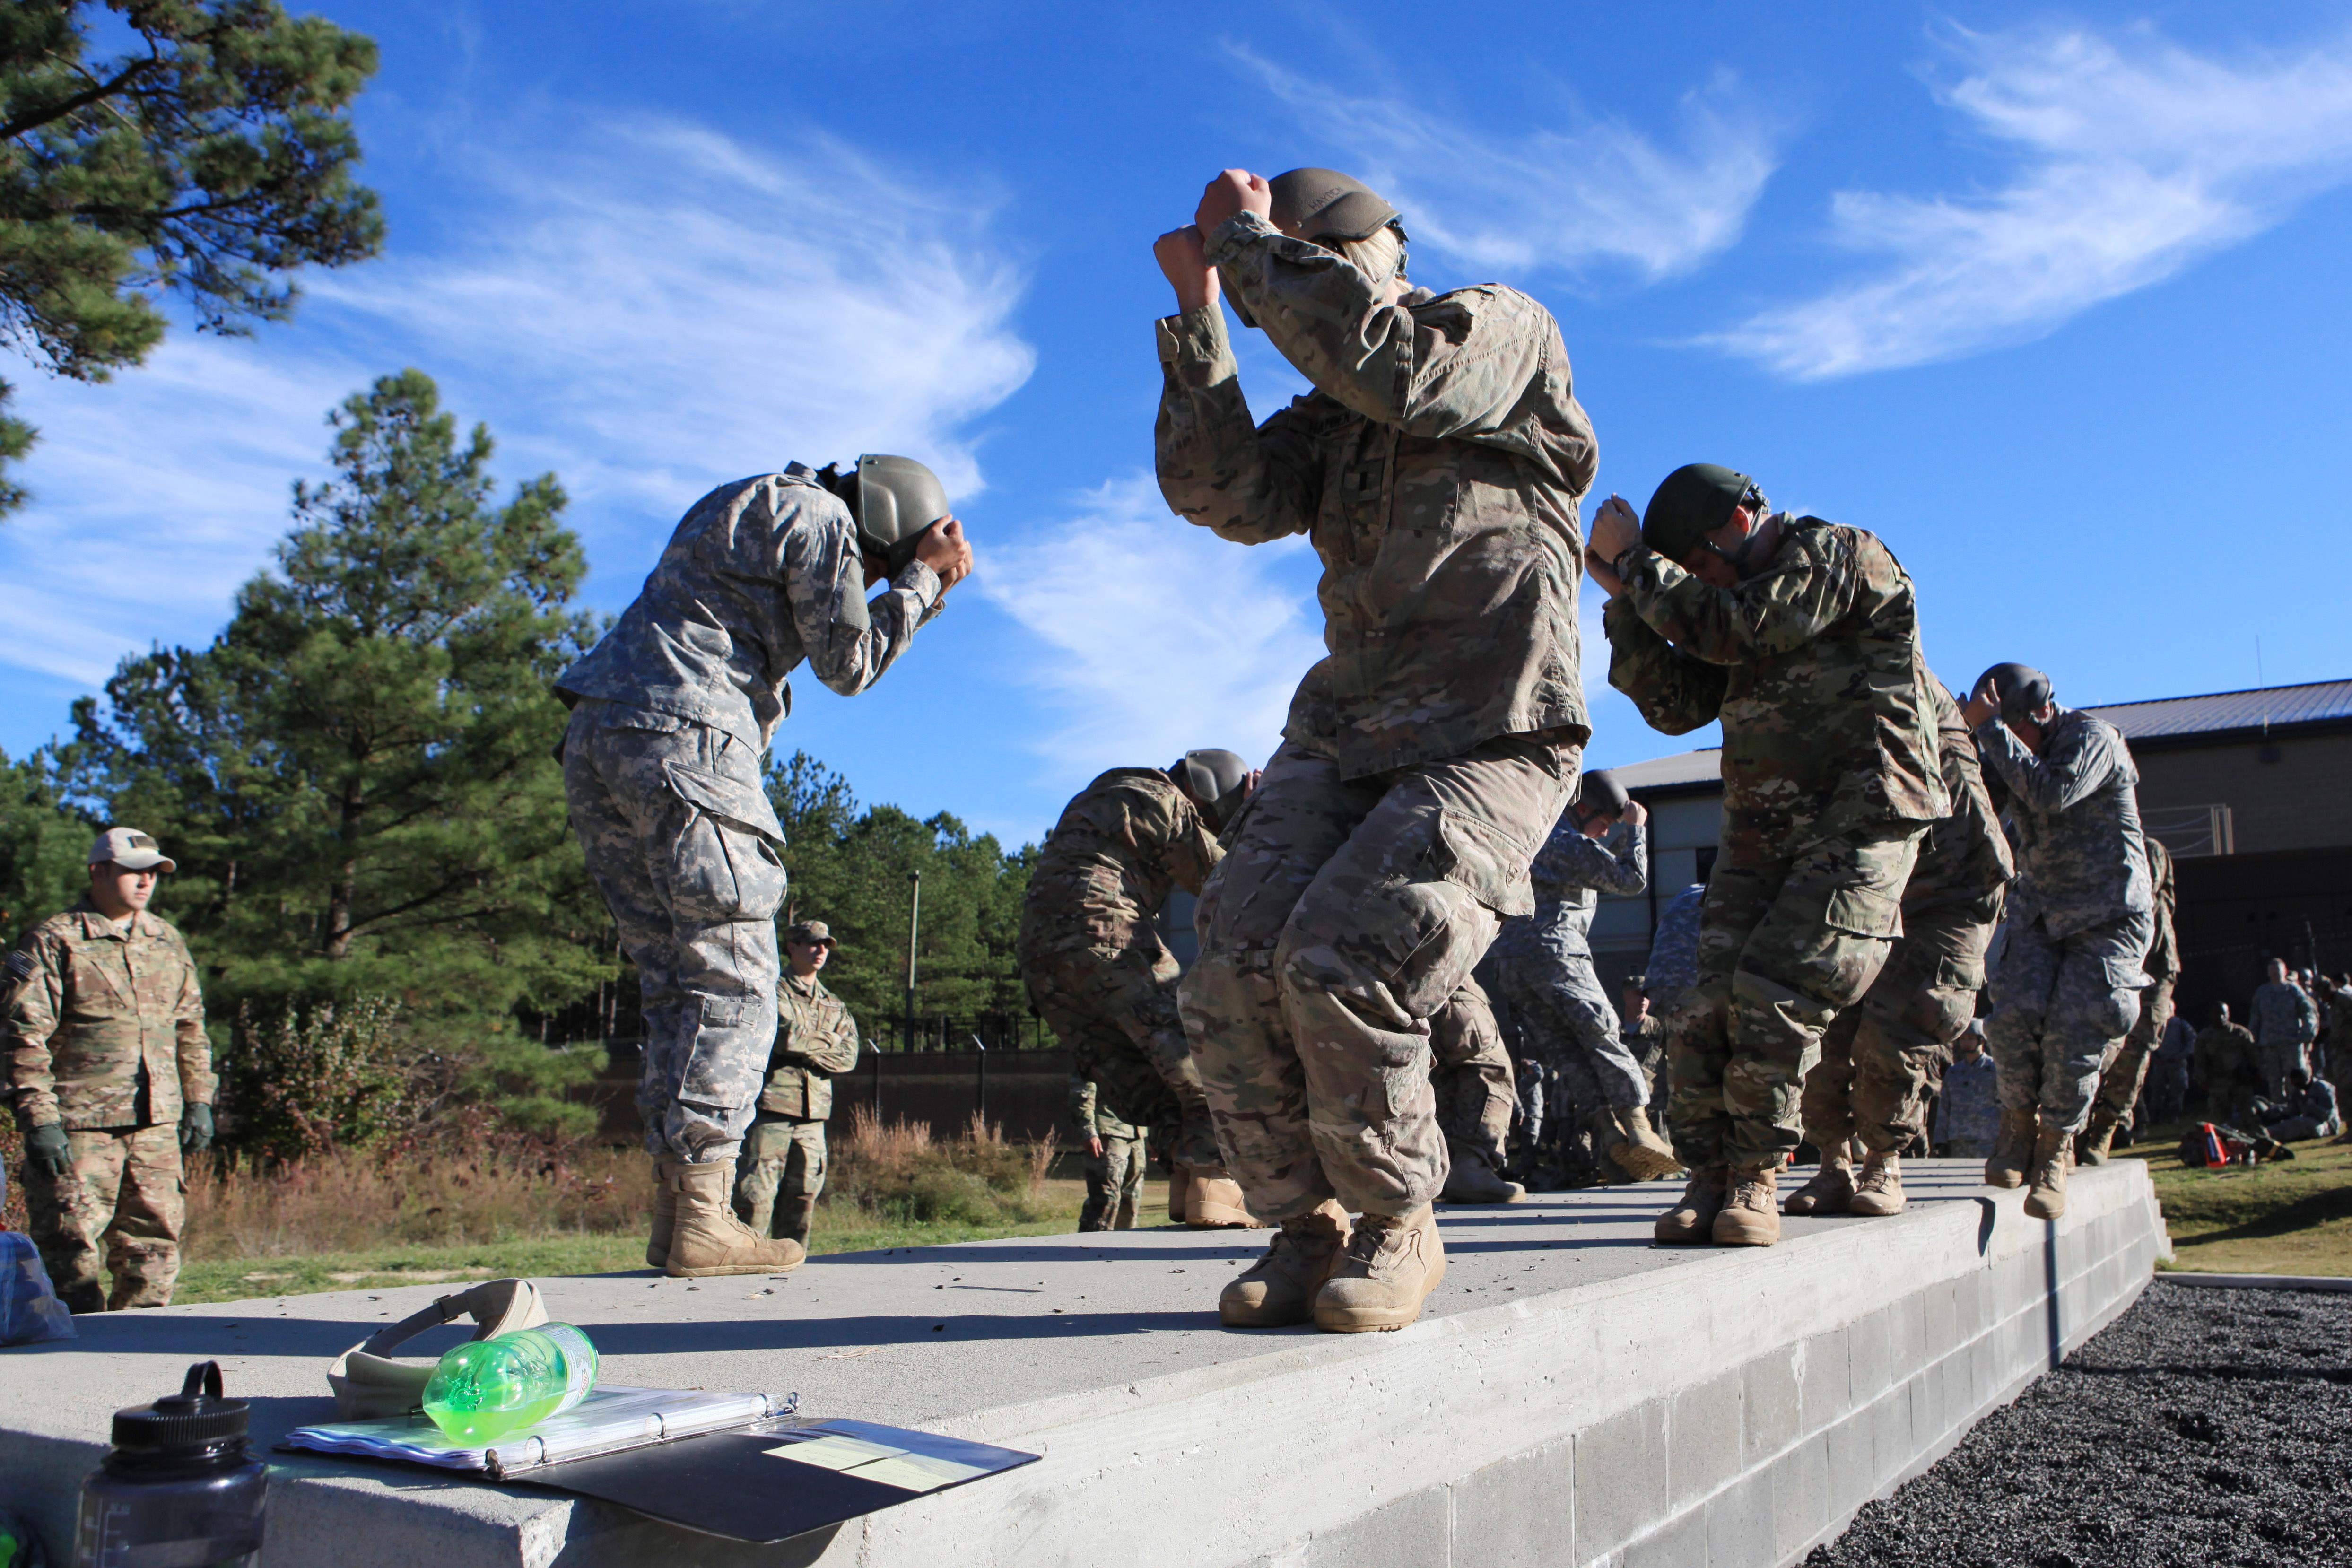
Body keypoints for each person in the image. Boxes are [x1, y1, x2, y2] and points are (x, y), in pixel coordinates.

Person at [1155, 165, 1595, 1332]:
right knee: (1233, 959)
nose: (1297, 283)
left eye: (1315, 254)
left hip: (1491, 721)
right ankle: (1305, 1227)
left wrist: (1247, 244)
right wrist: (1202, 317)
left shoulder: (1493, 328)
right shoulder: (1333, 410)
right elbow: (1224, 491)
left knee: (1348, 957)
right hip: (1349, 725)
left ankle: (1399, 1220)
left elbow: (1404, 370)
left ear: (1378, 248)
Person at [558, 455, 971, 1278]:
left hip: (602, 736)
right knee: (739, 977)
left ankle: (679, 1212)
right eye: (881, 562)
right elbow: (847, 661)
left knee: (675, 980)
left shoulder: (743, 501)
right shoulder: (820, 520)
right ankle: (706, 1215)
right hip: (690, 735)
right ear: (884, 526)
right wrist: (921, 586)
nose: (873, 576)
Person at [1590, 464, 1947, 1247]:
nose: (1701, 582)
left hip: (1859, 818)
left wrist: (1641, 570)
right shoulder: (1721, 601)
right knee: (1703, 1003)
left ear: (1735, 521)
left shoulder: (1839, 554)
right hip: (1762, 833)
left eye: (1700, 564)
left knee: (1778, 990)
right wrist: (1624, 601)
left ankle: (1755, 1174)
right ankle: (1709, 1171)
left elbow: (1735, 628)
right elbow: (1674, 704)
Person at [1786, 680, 2011, 1218]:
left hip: (1952, 884)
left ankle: (1883, 1162)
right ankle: (1833, 1162)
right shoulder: (1808, 693)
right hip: (1866, 877)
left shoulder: (1893, 670)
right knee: (1826, 1019)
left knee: (1905, 1019)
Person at [1018, 750, 1256, 1228]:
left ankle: (1189, 1183)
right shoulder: (1167, 801)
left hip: (1040, 955)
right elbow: (1228, 884)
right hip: (1104, 931)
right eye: (1211, 819)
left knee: (1154, 1081)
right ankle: (1216, 1180)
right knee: (1211, 1054)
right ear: (1204, 799)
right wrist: (1255, 826)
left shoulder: (1102, 792)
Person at [1966, 663, 2152, 1222]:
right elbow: (1985, 806)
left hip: (2108, 913)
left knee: (2078, 1027)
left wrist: (1991, 731)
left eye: (2016, 729)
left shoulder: (2093, 739)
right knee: (2013, 1015)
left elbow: (2051, 793)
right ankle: (2018, 1126)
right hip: (2043, 911)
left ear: (2043, 713)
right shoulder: (2010, 745)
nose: (2012, 742)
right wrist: (1963, 734)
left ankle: (2055, 1151)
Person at [3, 829, 211, 1313]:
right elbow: (21, 1034)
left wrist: (199, 1099)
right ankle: (71, 1362)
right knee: (69, 1249)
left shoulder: (166, 940)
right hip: (79, 1125)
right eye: (133, 871)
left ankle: (139, 1351)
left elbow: (191, 1029)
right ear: (98, 872)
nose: (146, 882)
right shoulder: (55, 940)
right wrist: (40, 1120)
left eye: (153, 872)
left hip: (156, 1125)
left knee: (155, 1245)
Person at [1479, 773, 1679, 1190]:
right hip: (1557, 954)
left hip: (1511, 964)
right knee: (1602, 1037)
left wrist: (1619, 831)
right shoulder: (1563, 840)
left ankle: (1609, 1138)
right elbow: (1630, 880)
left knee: (1567, 1053)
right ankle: (1640, 1130)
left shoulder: (1529, 836)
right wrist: (1636, 831)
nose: (1605, 834)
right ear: (1582, 809)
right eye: (1603, 825)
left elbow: (1598, 865)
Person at [733, 921, 860, 1251]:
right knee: (755, 1195)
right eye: (813, 944)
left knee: (804, 1194)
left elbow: (849, 1056)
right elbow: (784, 1038)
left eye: (825, 946)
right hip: (772, 1109)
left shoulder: (834, 1004)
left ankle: (790, 1261)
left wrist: (810, 1048)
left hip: (814, 1114)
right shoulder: (771, 992)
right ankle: (746, 1257)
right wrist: (829, 1041)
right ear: (792, 946)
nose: (821, 951)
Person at [2079, 833, 2178, 1164]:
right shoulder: (2097, 847)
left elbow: (2143, 889)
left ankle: (2108, 1126)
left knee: (2139, 1048)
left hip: (2154, 964)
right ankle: (2076, 1125)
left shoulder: (2149, 849)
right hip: (2115, 962)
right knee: (2102, 1047)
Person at [1429, 979, 1525, 1203]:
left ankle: (1445, 1171)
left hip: (1376, 988)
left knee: (1440, 1075)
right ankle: (1471, 1167)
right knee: (1488, 1066)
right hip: (1444, 983)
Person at [1069, 1072, 1148, 1230]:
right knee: (1105, 1201)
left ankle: (1124, 1250)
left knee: (1131, 1200)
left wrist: (1154, 1137)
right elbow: (1083, 1092)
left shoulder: (1139, 1052)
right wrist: (1089, 1131)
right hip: (1108, 1132)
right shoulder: (1099, 1050)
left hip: (1136, 1133)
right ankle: (1091, 1249)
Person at [2247, 958, 2318, 1102]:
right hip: (2270, 1045)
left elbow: (2308, 1013)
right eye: (2272, 971)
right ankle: (2279, 1113)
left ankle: (2298, 1111)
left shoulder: (2294, 991)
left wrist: (2306, 1035)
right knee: (2274, 1082)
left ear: (2285, 972)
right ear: (2268, 973)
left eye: (2278, 970)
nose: (2275, 974)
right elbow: (2255, 1019)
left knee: (2296, 1080)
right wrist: (2252, 1041)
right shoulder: (2262, 993)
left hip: (2292, 1044)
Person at [1932, 1022, 2001, 1160]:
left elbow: (2005, 1105)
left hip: (1988, 1138)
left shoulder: (1995, 1069)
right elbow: (1945, 1106)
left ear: (1981, 1041)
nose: (1966, 1043)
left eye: (1970, 1038)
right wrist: (1940, 1138)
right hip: (1959, 1139)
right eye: (1963, 1039)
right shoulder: (1954, 1072)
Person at [2192, 1002, 2260, 1127]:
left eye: (2224, 1014)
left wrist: (2253, 1075)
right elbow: (2200, 1061)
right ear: (2211, 1016)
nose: (2221, 1017)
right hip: (2218, 1084)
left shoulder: (2240, 1033)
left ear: (2228, 1014)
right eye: (2217, 1014)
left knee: (2250, 1117)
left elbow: (2254, 1056)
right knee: (2220, 1121)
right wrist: (2203, 1080)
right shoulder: (2205, 1037)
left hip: (2240, 1083)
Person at [2256, 1069, 2342, 1142]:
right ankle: (2264, 1134)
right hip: (2309, 1123)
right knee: (2292, 1121)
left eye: (2298, 1083)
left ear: (2305, 1079)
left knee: (2299, 1122)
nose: (2296, 1086)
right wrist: (2277, 1113)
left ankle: (2267, 1134)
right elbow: (2292, 1111)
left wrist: (2311, 1105)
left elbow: (2328, 1116)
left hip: (2328, 1126)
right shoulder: (2299, 1091)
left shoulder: (2324, 1088)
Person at [2147, 1007, 2195, 1126]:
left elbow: (2192, 1041)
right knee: (2157, 1091)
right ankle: (2155, 1117)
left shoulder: (2181, 1025)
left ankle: (2173, 1116)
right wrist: (2154, 1057)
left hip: (2177, 1064)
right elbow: (2148, 1041)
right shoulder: (2156, 1025)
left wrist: (2181, 1056)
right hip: (2160, 1063)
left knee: (2177, 1091)